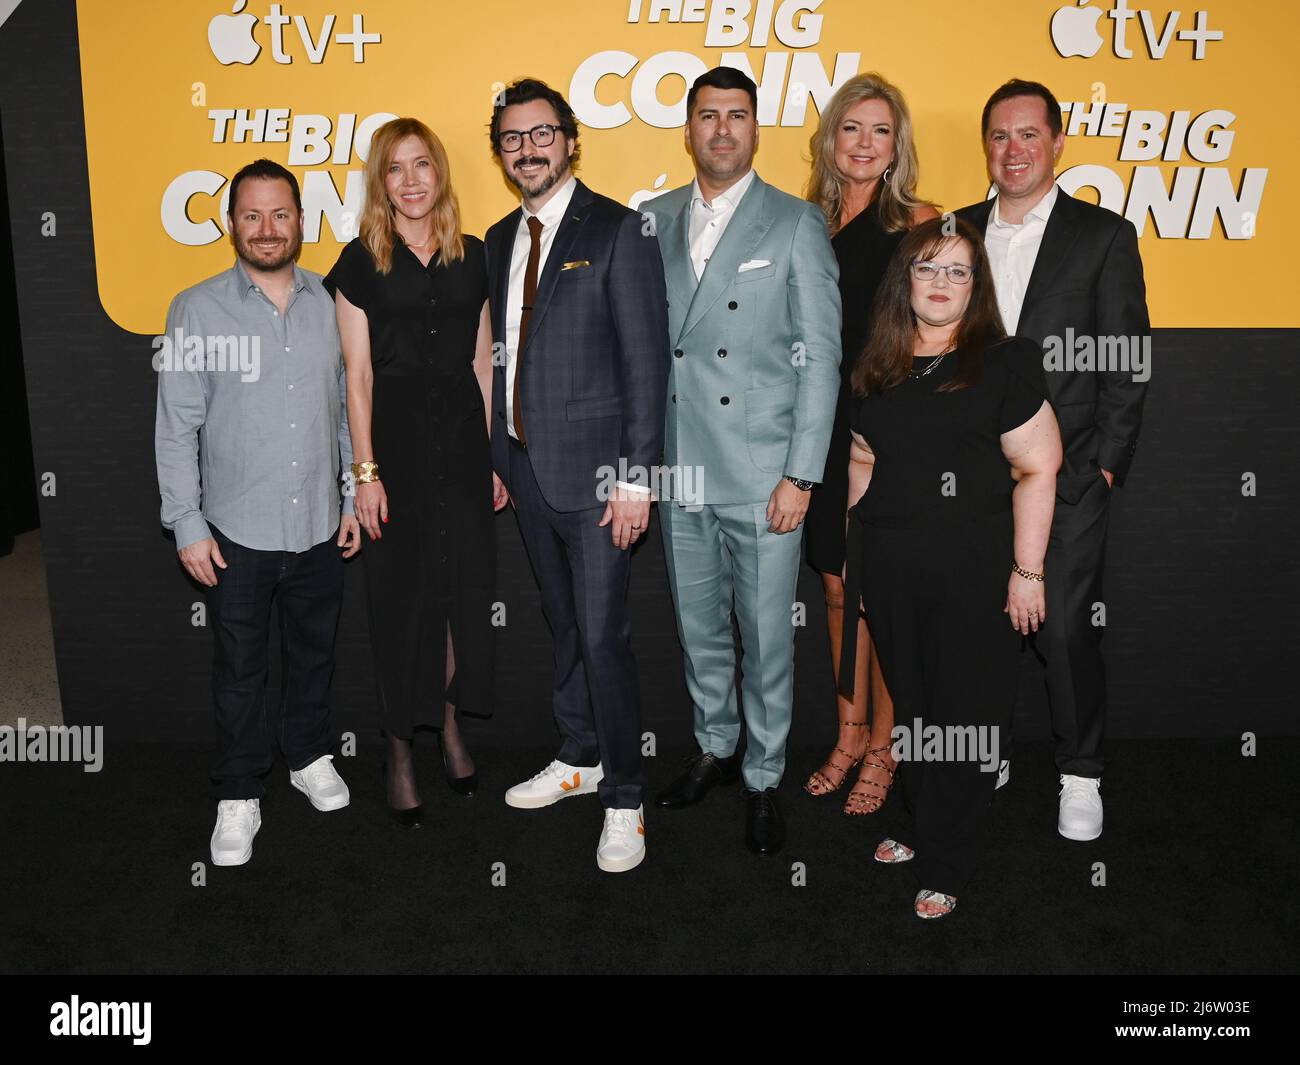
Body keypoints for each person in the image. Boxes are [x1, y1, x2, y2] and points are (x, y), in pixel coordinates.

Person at [643, 67, 841, 856]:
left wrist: (802, 474)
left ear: (757, 128)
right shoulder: (650, 220)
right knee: (700, 630)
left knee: (766, 637)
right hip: (679, 466)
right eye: (707, 116)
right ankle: (715, 746)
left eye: (737, 115)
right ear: (687, 130)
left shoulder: (795, 223)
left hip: (765, 477)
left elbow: (821, 359)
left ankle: (763, 776)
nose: (721, 129)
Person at [840, 216, 1061, 917]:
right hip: (893, 563)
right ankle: (917, 822)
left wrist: (1028, 572)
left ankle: (947, 860)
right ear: (904, 280)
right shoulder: (877, 361)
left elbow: (1038, 466)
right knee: (915, 704)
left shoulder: (1004, 361)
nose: (941, 283)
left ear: (977, 284)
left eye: (958, 270)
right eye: (928, 268)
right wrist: (858, 562)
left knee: (964, 713)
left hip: (976, 567)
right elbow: (862, 461)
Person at [955, 79, 1150, 841]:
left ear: (1058, 142)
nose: (1014, 150)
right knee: (979, 624)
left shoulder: (1102, 236)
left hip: (1068, 474)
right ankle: (988, 750)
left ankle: (1080, 772)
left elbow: (1126, 359)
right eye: (1000, 136)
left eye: (1029, 135)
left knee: (1065, 628)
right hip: (968, 474)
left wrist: (1103, 466)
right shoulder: (956, 231)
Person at [484, 78, 669, 873]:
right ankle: (581, 755)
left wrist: (636, 480)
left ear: (570, 138)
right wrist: (499, 453)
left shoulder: (622, 229)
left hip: (600, 482)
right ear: (501, 153)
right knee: (564, 628)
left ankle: (625, 797)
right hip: (526, 470)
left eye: (541, 133)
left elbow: (646, 363)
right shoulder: (497, 237)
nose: (528, 149)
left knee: (603, 635)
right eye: (513, 138)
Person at [155, 158, 362, 867]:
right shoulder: (197, 307)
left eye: (280, 214)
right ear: (230, 223)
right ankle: (240, 789)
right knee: (241, 668)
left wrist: (349, 497)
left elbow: (342, 411)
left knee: (313, 655)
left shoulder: (330, 304)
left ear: (302, 221)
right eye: (252, 215)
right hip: (235, 532)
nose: (267, 229)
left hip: (316, 530)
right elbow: (177, 424)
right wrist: (185, 522)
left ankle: (306, 755)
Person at [324, 118, 503, 828]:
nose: (410, 180)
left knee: (462, 595)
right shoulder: (360, 261)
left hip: (462, 448)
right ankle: (399, 747)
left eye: (421, 164)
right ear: (381, 181)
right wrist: (365, 474)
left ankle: (451, 725)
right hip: (391, 448)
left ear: (439, 172)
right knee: (401, 603)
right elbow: (358, 377)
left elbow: (484, 363)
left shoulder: (476, 254)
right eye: (395, 168)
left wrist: (489, 457)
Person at [801, 72, 939, 816]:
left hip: (886, 431)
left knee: (878, 592)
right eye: (851, 127)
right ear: (831, 139)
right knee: (832, 586)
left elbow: (940, 335)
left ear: (897, 145)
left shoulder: (920, 220)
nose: (863, 142)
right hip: (816, 428)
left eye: (880, 130)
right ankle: (849, 733)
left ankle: (887, 746)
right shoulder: (803, 222)